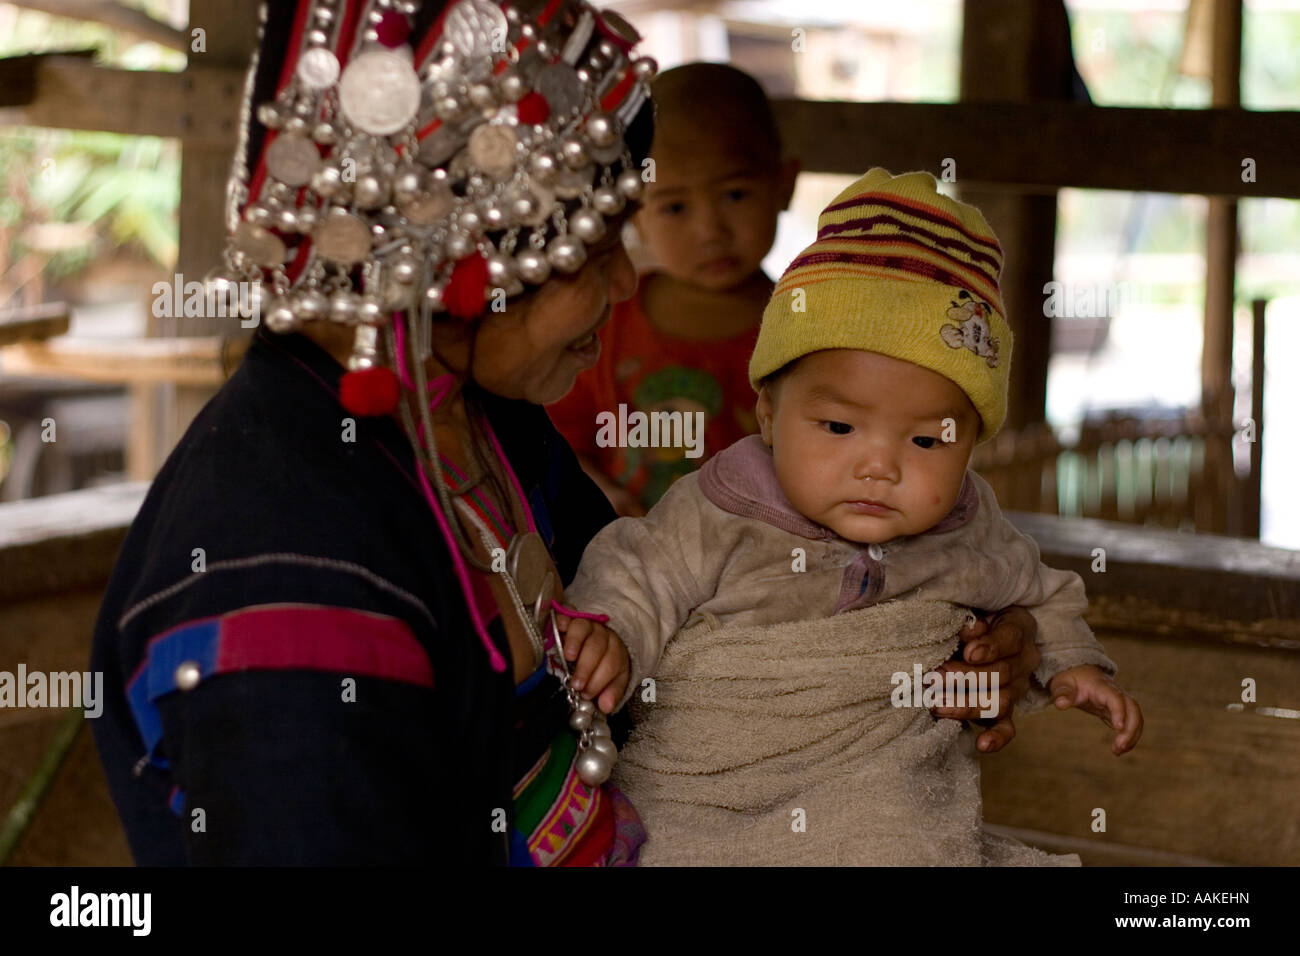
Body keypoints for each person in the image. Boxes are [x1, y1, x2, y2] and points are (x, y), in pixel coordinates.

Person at [90, 0, 1044, 867]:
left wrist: (947, 638)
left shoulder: (481, 425)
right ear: (462, 265)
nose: (629, 287)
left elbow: (696, 613)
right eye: (592, 250)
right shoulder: (287, 595)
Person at [559, 169, 1144, 865]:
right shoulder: (721, 505)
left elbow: (1037, 590)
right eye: (838, 427)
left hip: (876, 794)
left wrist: (1072, 664)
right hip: (706, 791)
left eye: (926, 441)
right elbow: (638, 572)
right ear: (769, 415)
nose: (880, 466)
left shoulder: (966, 522)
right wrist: (613, 635)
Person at [546, 63, 797, 516]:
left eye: (735, 195)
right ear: (634, 216)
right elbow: (563, 445)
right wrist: (604, 496)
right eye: (675, 207)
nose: (709, 231)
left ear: (784, 184)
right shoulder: (602, 322)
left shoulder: (809, 328)